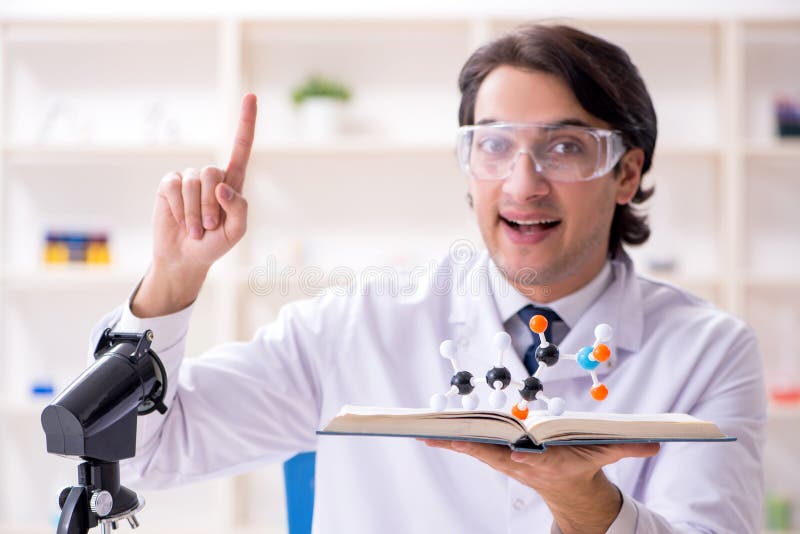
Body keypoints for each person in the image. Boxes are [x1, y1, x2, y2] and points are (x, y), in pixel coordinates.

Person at [92, 24, 765, 533]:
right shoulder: (359, 323)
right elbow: (146, 456)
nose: (522, 183)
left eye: (564, 147)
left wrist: (583, 500)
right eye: (495, 146)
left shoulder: (708, 352)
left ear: (625, 173)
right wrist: (174, 279)